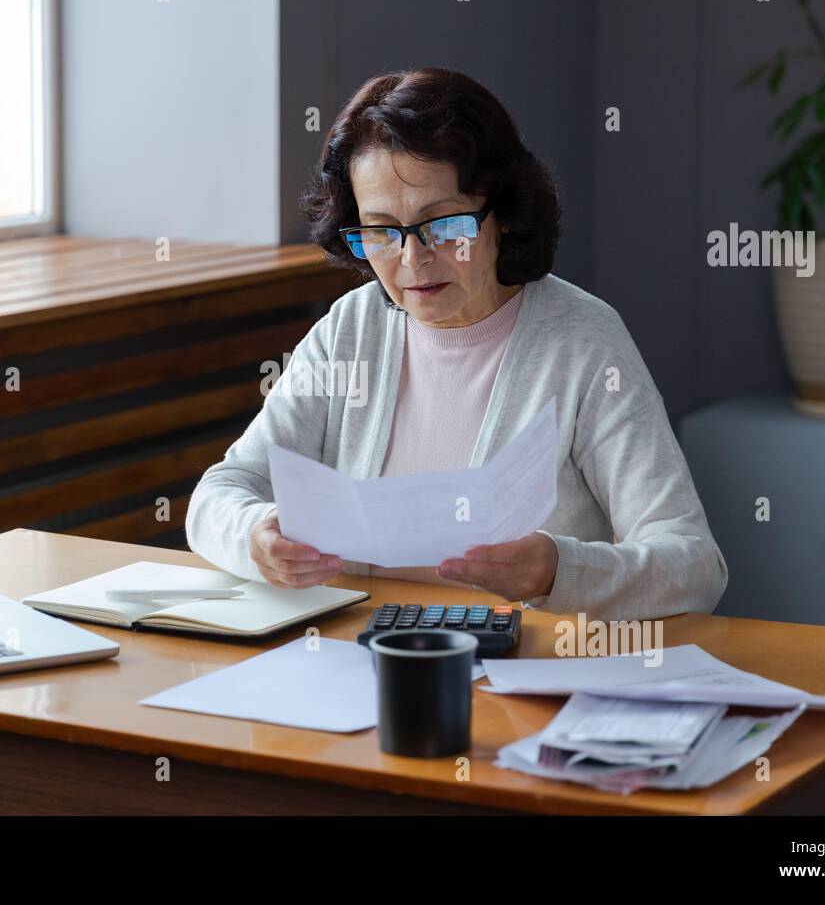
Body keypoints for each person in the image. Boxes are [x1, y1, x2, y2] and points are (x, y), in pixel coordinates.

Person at [185, 67, 727, 621]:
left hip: (519, 672)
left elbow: (694, 566)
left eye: (443, 225)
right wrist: (254, 537)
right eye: (380, 230)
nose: (412, 260)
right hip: (356, 662)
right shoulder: (351, 329)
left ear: (503, 214)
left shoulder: (582, 341)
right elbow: (221, 492)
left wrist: (558, 572)